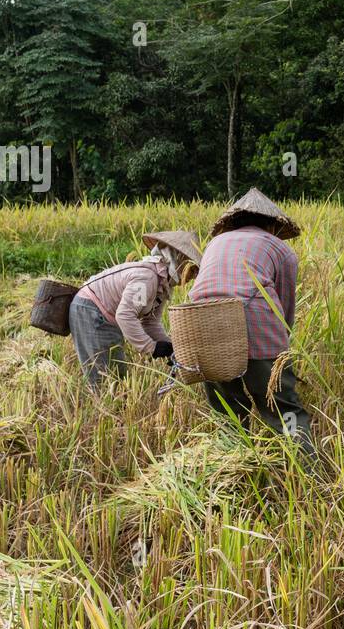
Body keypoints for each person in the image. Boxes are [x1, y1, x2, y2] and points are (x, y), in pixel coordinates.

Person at [190, 188, 315, 457]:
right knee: (283, 410)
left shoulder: (214, 243)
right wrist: (282, 351)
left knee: (228, 411)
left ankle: (233, 475)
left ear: (233, 222)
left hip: (201, 326)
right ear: (273, 224)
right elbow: (283, 309)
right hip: (255, 326)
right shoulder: (281, 249)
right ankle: (307, 478)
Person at [70, 231, 201, 388]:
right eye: (191, 269)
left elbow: (150, 322)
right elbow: (125, 316)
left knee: (114, 376)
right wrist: (151, 347)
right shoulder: (147, 278)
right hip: (91, 311)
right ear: (178, 260)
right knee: (108, 378)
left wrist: (171, 348)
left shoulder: (163, 284)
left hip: (100, 312)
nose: (192, 276)